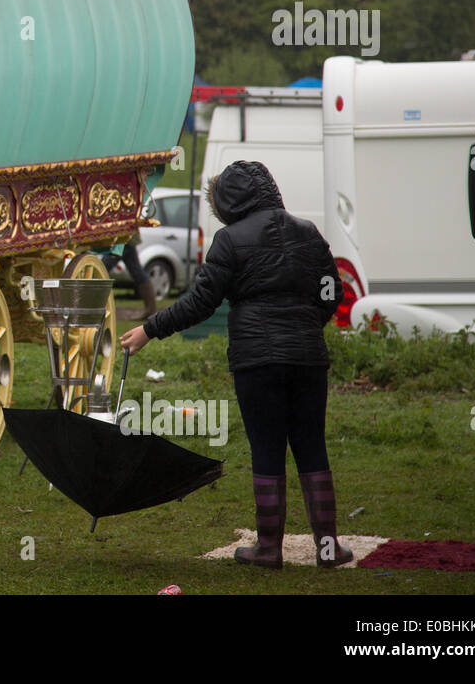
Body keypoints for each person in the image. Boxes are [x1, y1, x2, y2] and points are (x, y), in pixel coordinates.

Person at [119, 160, 351, 569]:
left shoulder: (229, 240)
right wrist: (306, 325)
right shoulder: (308, 232)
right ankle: (328, 549)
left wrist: (148, 330)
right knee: (312, 447)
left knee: (266, 449)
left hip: (256, 360)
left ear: (228, 201)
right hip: (308, 358)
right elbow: (332, 290)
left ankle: (267, 548)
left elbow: (199, 303)